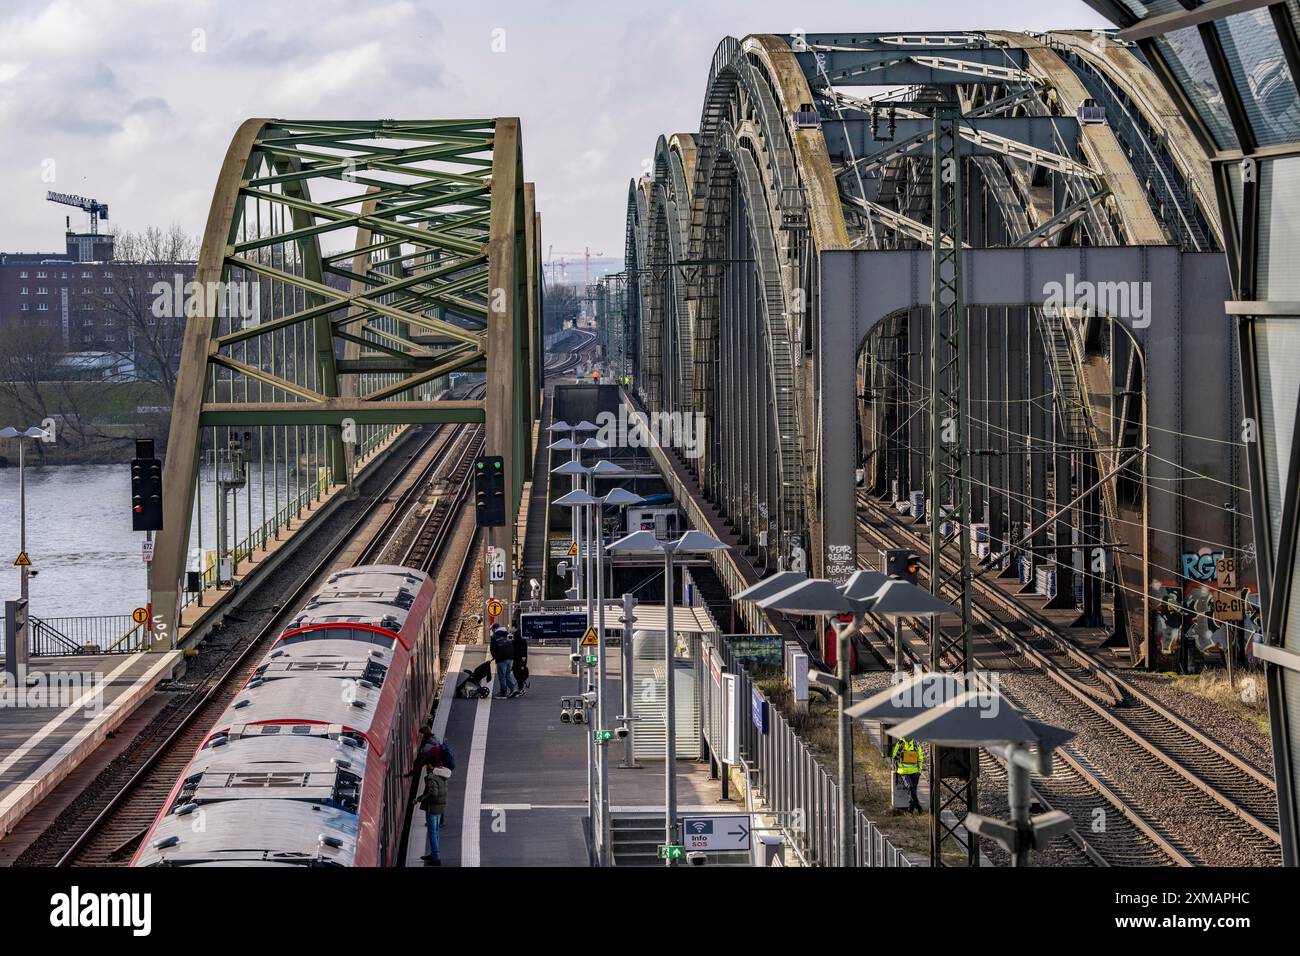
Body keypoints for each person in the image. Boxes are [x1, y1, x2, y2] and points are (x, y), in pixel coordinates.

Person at [418, 763, 452, 865]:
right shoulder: (442, 776)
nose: (425, 768)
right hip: (439, 808)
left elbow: (433, 793)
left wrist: (421, 799)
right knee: (435, 831)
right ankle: (434, 854)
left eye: (426, 766)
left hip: (432, 808)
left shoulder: (432, 778)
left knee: (432, 832)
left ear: (430, 766)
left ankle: (436, 857)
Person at [891, 735, 924, 814]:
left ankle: (910, 810)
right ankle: (918, 806)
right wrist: (899, 749)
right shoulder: (900, 743)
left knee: (914, 791)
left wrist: (919, 771)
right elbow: (895, 757)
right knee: (910, 787)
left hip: (915, 772)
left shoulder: (916, 744)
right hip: (904, 771)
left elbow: (920, 758)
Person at [489, 624, 517, 698]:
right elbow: (513, 644)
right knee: (507, 674)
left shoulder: (494, 636)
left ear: (495, 629)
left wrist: (496, 657)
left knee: (502, 676)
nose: (492, 631)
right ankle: (513, 689)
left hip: (501, 659)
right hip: (510, 657)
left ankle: (503, 692)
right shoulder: (508, 634)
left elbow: (492, 649)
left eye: (492, 630)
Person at [510, 625, 529, 697]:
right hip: (517, 657)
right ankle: (521, 688)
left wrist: (523, 658)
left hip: (520, 658)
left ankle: (521, 689)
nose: (510, 629)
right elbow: (511, 642)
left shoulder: (519, 635)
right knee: (517, 672)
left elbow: (523, 646)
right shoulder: (515, 634)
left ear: (514, 627)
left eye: (510, 628)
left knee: (518, 673)